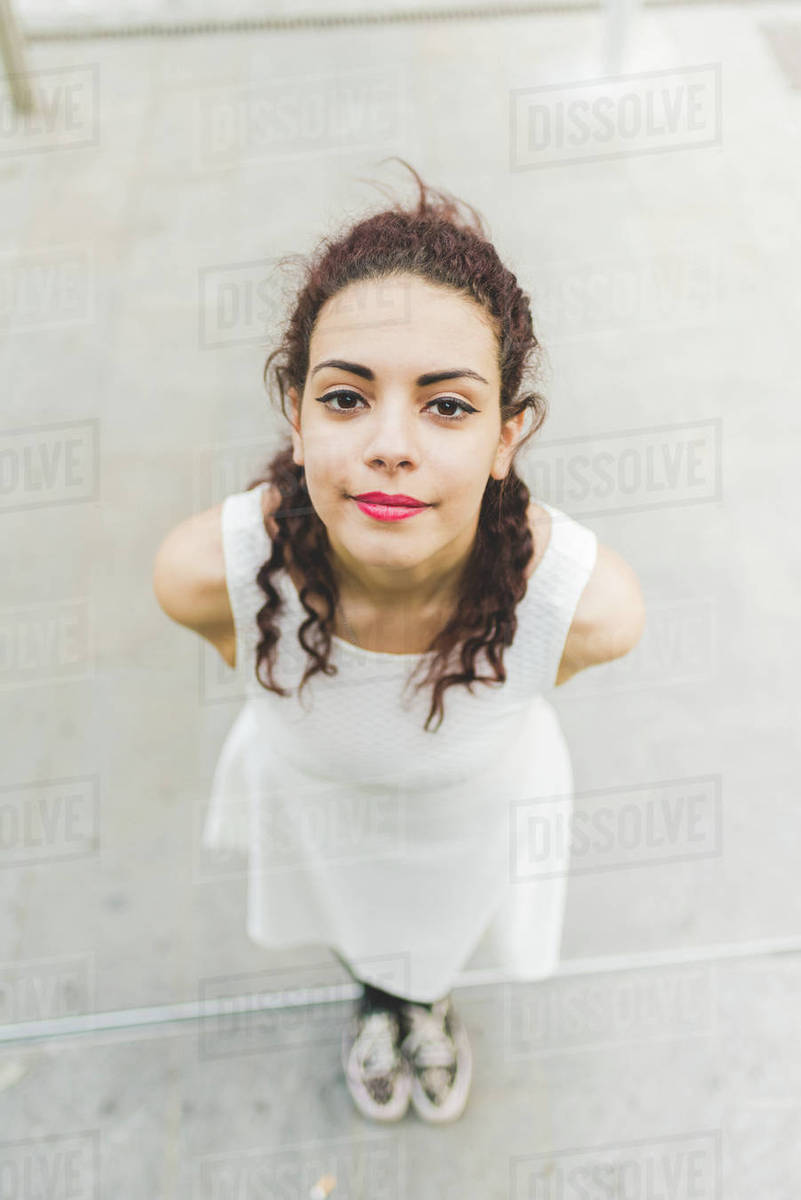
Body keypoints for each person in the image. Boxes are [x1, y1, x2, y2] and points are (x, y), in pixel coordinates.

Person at [152, 159, 646, 1125]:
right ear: (294, 417)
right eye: (344, 398)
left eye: (447, 405)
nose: (391, 443)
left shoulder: (581, 607)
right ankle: (374, 998)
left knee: (436, 940)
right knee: (351, 922)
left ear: (507, 437)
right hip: (313, 819)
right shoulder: (207, 576)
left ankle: (425, 1002)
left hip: (468, 828)